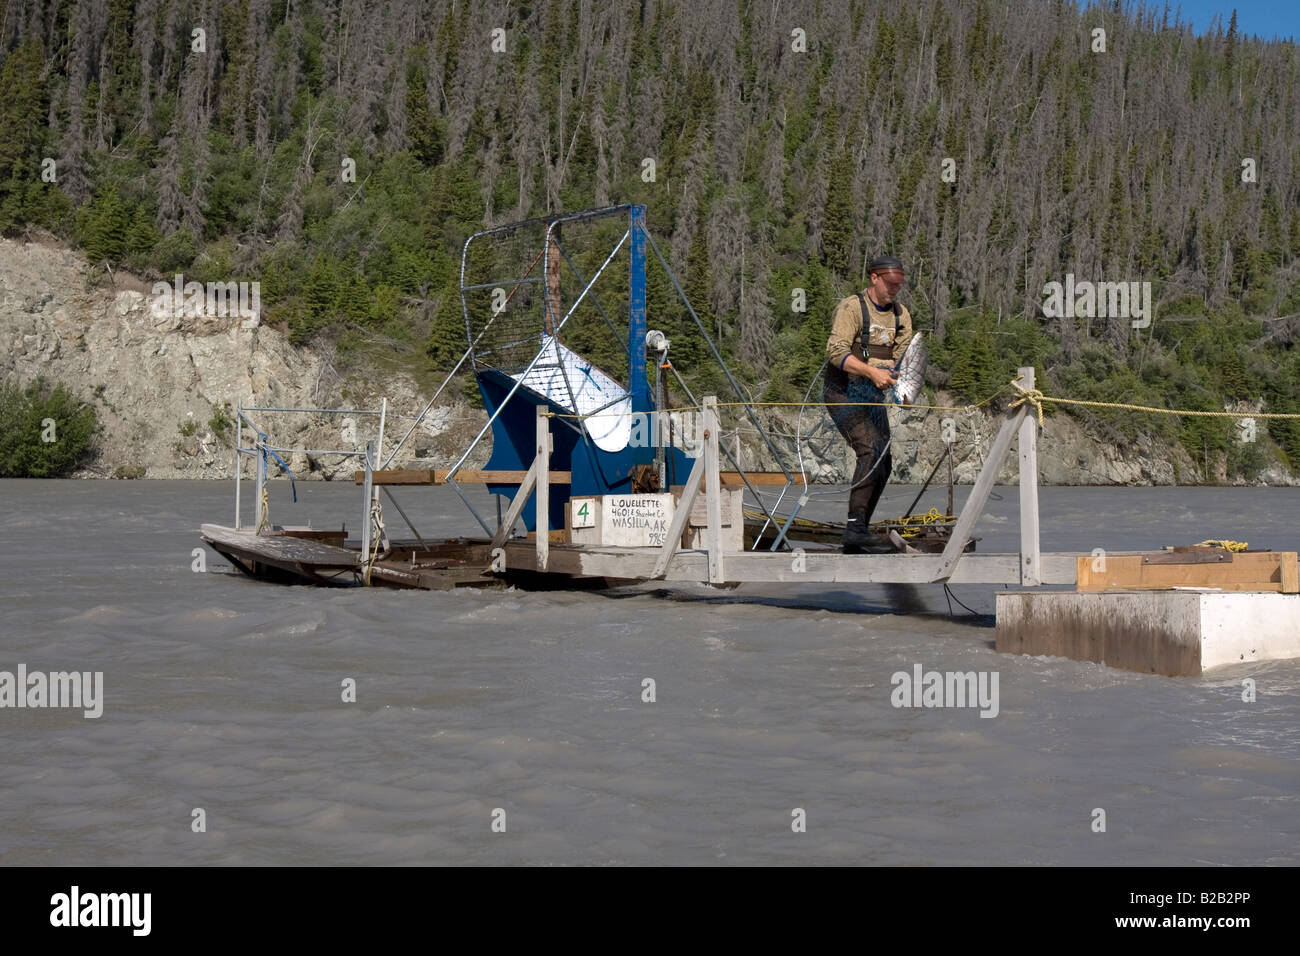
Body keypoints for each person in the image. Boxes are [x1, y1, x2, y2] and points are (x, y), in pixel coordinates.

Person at [823, 255, 913, 553]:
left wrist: (901, 383)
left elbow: (903, 361)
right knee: (869, 449)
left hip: (873, 397)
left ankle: (859, 530)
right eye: (890, 284)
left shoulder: (902, 316)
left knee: (884, 461)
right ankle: (855, 530)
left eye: (899, 285)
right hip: (842, 391)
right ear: (874, 278)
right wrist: (872, 370)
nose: (894, 290)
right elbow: (836, 352)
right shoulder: (851, 308)